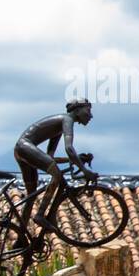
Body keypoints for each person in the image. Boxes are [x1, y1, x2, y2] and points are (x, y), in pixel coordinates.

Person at [13, 98, 97, 239]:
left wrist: (77, 159)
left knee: (31, 195)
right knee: (57, 176)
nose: (91, 115)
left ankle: (20, 238)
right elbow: (69, 148)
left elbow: (50, 157)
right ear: (77, 110)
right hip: (24, 147)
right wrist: (84, 170)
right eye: (88, 110)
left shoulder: (59, 125)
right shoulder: (67, 120)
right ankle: (40, 215)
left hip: (21, 149)